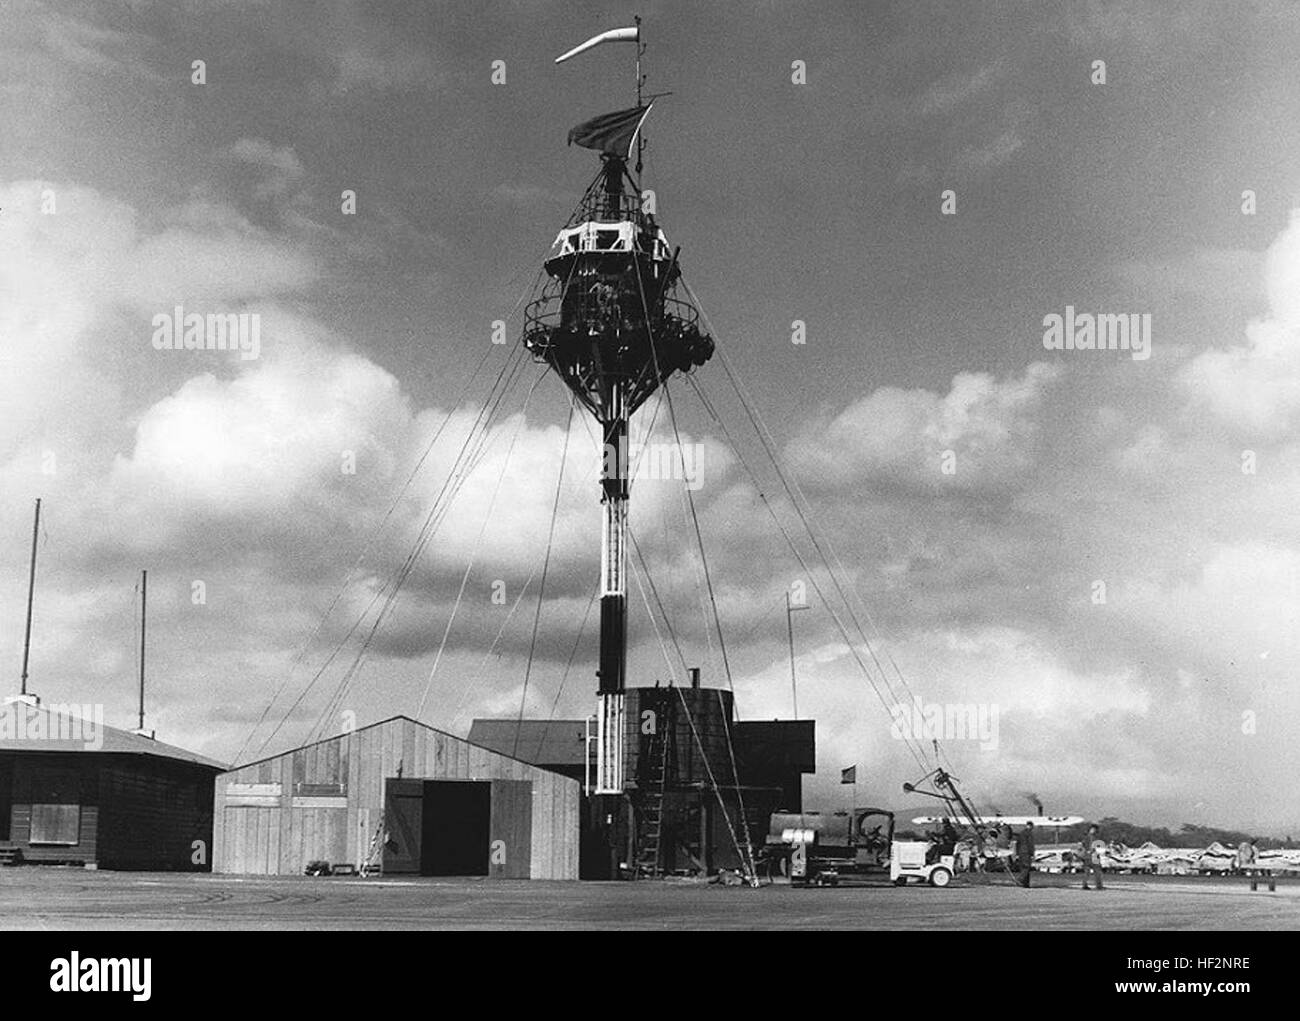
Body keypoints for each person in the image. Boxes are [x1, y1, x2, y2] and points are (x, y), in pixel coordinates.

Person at [1081, 823, 1105, 890]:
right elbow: (1093, 846)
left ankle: (1084, 884)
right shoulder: (1093, 837)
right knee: (1097, 871)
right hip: (1093, 856)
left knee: (1087, 872)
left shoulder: (1085, 837)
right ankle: (1099, 885)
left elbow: (1083, 845)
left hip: (1086, 856)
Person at [1015, 822, 1035, 888]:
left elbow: (1017, 843)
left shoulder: (1021, 833)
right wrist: (1032, 853)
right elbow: (1030, 844)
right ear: (1031, 826)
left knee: (1022, 867)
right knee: (1027, 867)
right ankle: (1020, 879)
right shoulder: (1029, 834)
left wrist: (1017, 853)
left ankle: (1025, 883)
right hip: (1027, 852)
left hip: (1021, 852)